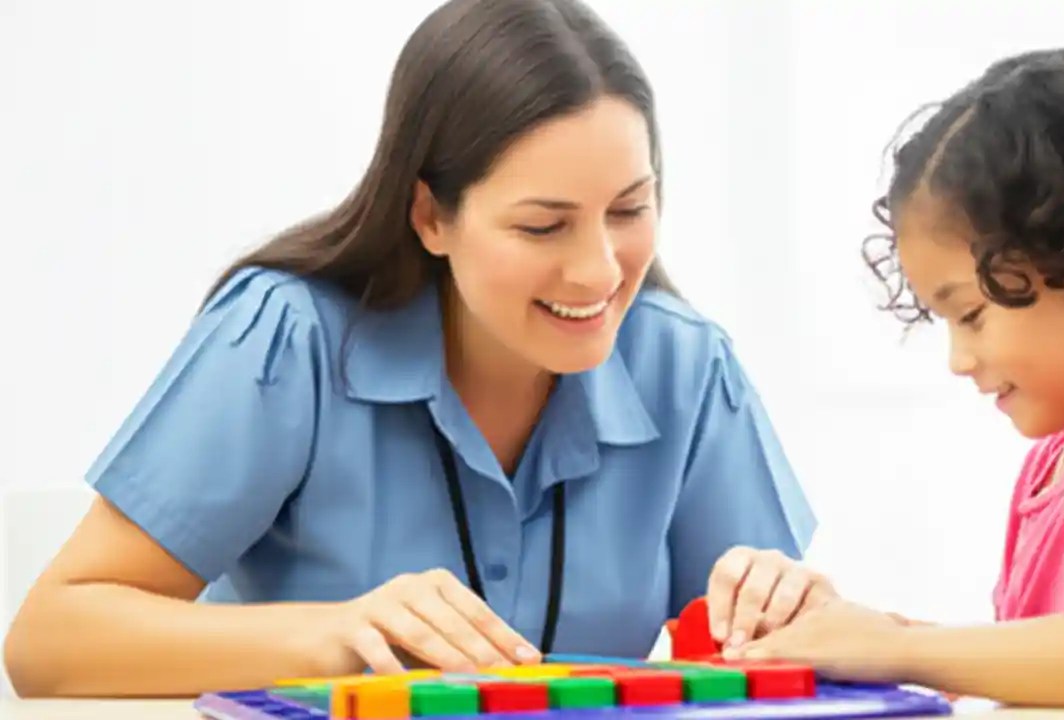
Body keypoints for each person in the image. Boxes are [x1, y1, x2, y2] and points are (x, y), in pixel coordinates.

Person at [2, 0, 827, 698]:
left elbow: (768, 658)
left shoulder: (686, 369)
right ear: (430, 215)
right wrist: (339, 637)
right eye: (543, 225)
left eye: (628, 209)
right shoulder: (288, 339)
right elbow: (47, 643)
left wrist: (795, 616)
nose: (600, 271)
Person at [727, 47, 1064, 719]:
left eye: (972, 314)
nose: (959, 358)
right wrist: (877, 638)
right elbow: (1052, 666)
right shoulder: (1054, 469)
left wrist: (900, 653)